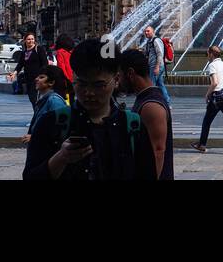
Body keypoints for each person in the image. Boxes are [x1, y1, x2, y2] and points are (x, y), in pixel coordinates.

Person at [23, 37, 156, 181]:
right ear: (73, 77)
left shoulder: (132, 126)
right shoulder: (51, 123)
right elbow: (30, 176)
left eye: (99, 85)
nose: (89, 92)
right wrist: (61, 158)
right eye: (81, 84)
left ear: (116, 80)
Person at [118, 49, 174, 180]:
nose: (118, 81)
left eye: (119, 75)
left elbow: (158, 151)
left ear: (130, 73)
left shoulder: (151, 106)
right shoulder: (145, 99)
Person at [193, 45, 223, 156]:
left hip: (216, 98)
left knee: (207, 121)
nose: (207, 56)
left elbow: (214, 83)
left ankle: (202, 145)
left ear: (212, 54)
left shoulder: (212, 65)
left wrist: (207, 94)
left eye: (207, 54)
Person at [22, 64, 70, 143]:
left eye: (41, 77)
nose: (36, 79)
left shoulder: (55, 101)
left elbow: (60, 131)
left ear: (51, 82)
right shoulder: (44, 99)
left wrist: (35, 137)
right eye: (38, 77)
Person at [10, 32, 49, 113]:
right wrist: (14, 73)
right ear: (25, 40)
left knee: (36, 99)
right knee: (32, 99)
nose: (30, 41)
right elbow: (20, 64)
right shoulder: (24, 52)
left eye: (32, 39)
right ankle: (37, 116)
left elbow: (45, 64)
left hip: (38, 79)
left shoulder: (39, 49)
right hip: (29, 79)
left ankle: (38, 117)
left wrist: (42, 77)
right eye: (28, 39)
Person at [141, 25, 170, 103]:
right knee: (160, 85)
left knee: (151, 85)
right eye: (145, 31)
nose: (146, 33)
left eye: (148, 31)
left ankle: (150, 101)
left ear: (153, 31)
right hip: (154, 66)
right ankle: (167, 102)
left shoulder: (156, 40)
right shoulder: (149, 41)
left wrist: (157, 67)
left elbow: (160, 54)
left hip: (156, 66)